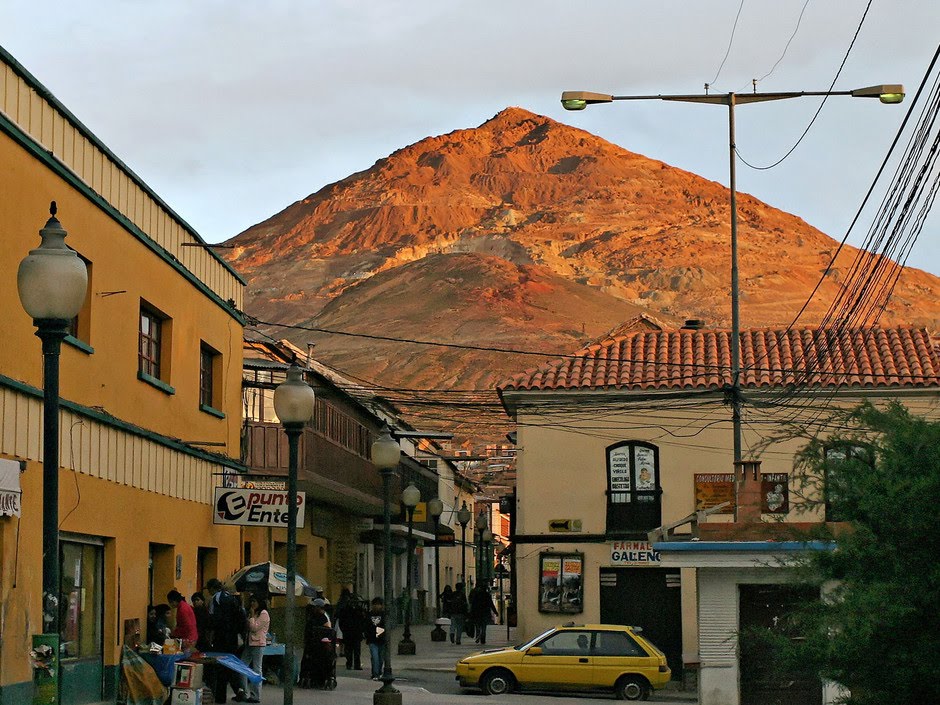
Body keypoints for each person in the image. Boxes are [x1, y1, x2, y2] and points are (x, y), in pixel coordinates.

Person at [205, 577, 247, 703]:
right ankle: (239, 689)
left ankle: (221, 696)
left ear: (212, 588)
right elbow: (241, 617)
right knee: (230, 663)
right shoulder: (232, 598)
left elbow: (213, 620)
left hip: (221, 637)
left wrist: (210, 637)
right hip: (233, 637)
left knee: (220, 666)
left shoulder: (215, 599)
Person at [236, 595, 269, 704]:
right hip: (249, 643)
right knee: (242, 667)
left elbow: (254, 627)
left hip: (258, 644)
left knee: (256, 670)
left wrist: (251, 617)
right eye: (251, 601)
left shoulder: (263, 614)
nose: (252, 604)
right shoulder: (253, 613)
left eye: (254, 601)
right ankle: (244, 692)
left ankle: (256, 695)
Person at [336, 589, 365, 670]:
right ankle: (353, 664)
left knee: (352, 649)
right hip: (351, 632)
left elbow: (362, 620)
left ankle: (352, 664)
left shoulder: (351, 609)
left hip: (351, 632)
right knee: (353, 650)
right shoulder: (350, 610)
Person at [364, 597, 387, 681]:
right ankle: (375, 673)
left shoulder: (384, 615)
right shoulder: (369, 615)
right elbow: (366, 625)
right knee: (375, 657)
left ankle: (379, 672)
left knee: (380, 658)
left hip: (382, 639)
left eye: (378, 604)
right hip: (372, 639)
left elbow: (386, 626)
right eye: (375, 604)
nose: (376, 606)